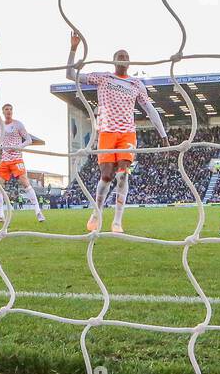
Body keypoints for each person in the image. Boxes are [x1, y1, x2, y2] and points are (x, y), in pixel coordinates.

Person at [66, 33, 167, 234]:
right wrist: (73, 48)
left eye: (125, 56)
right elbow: (70, 75)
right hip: (106, 133)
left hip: (127, 135)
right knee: (106, 176)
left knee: (123, 175)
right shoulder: (103, 77)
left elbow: (150, 109)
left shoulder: (136, 84)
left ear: (129, 62)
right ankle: (97, 212)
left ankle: (118, 222)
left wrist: (162, 134)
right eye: (119, 56)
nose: (122, 58)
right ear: (114, 60)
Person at [0, 104, 46, 223]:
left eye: (10, 109)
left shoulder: (18, 124)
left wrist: (19, 147)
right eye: (6, 109)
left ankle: (38, 212)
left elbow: (28, 139)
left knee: (24, 182)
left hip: (16, 159)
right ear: (3, 112)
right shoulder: (0, 126)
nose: (9, 111)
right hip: (5, 159)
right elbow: (0, 141)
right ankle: (0, 215)